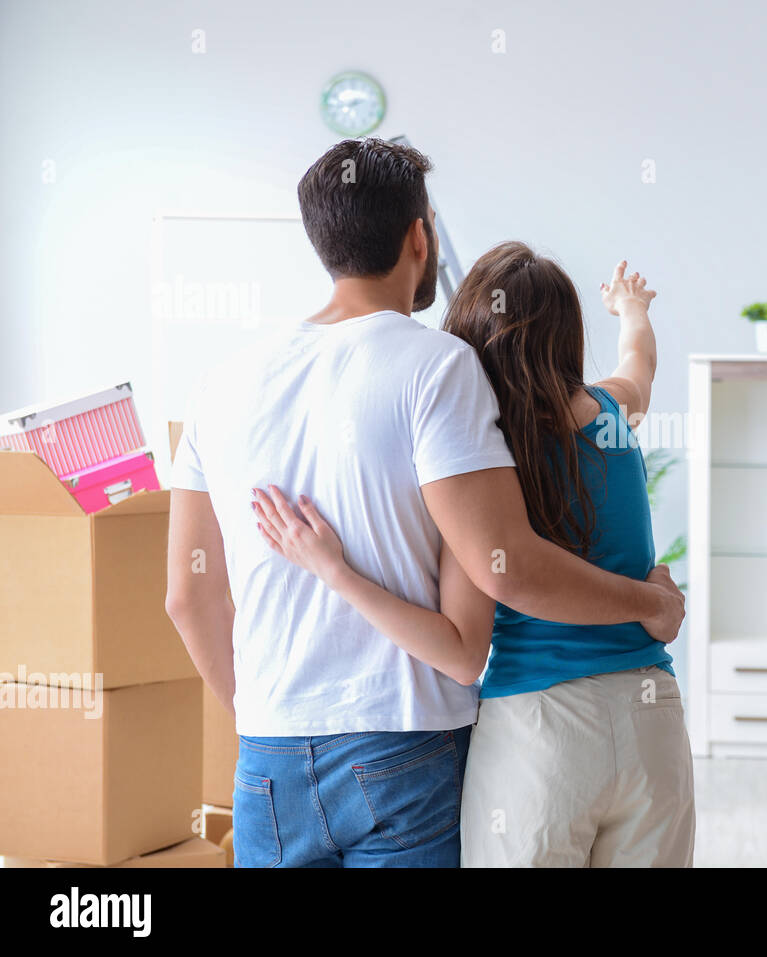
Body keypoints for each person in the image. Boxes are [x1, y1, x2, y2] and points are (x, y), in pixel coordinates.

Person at [164, 138, 684, 868]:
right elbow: (494, 583)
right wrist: (648, 602)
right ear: (420, 236)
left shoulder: (216, 385)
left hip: (271, 751)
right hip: (407, 743)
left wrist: (263, 721)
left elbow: (187, 597)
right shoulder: (440, 368)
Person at [262, 241, 696, 867]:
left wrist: (334, 569)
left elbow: (470, 622)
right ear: (568, 335)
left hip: (540, 725)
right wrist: (631, 308)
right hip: (650, 712)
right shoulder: (610, 412)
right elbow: (641, 362)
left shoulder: (476, 459)